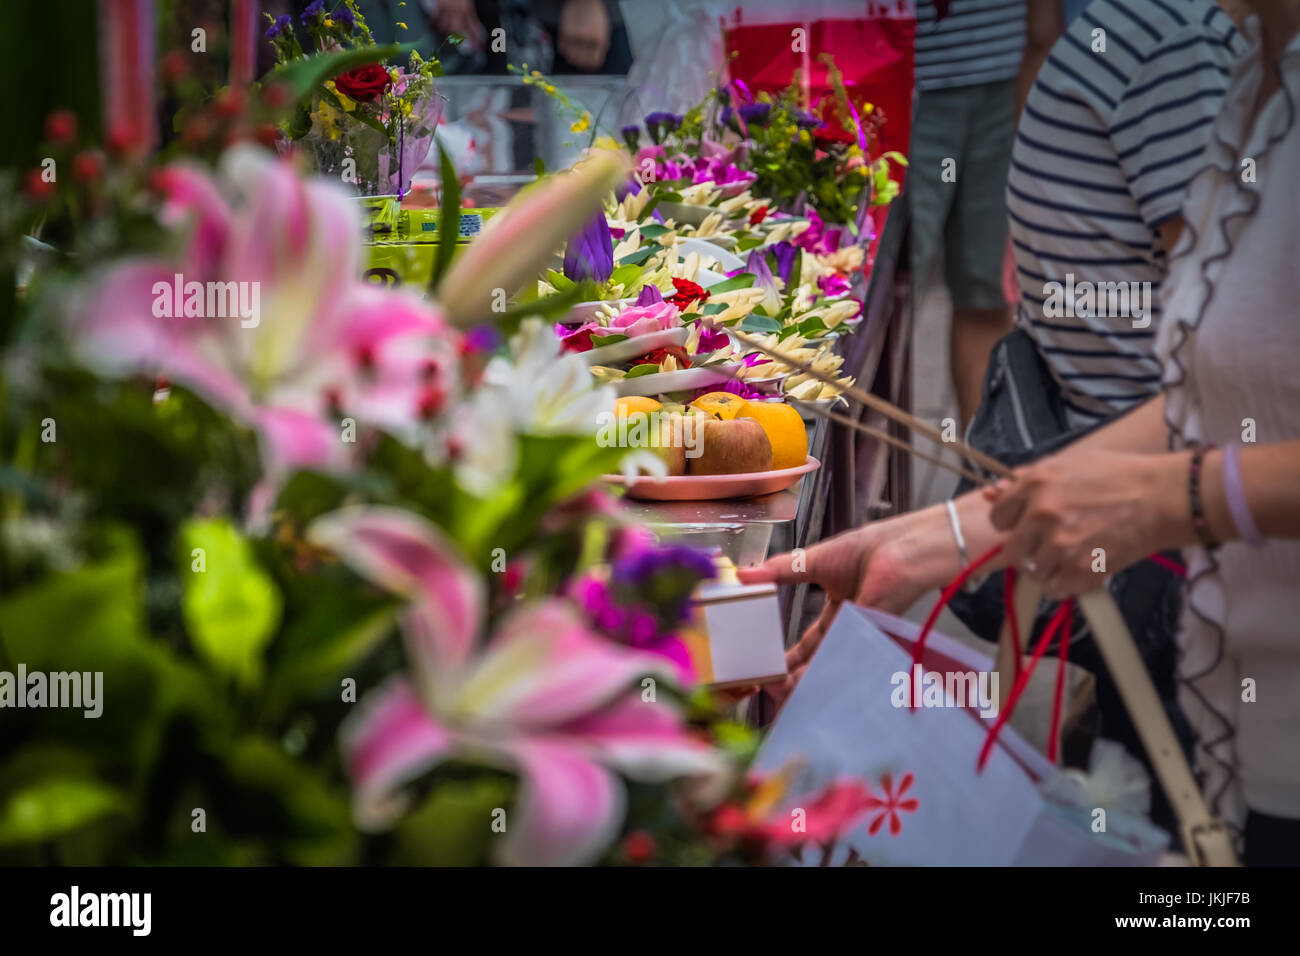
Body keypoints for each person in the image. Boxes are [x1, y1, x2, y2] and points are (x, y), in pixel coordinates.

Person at [743, 0, 1300, 866]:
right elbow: (1209, 393)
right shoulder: (1246, 76)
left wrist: (1169, 499)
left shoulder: (1189, 48)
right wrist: (938, 539)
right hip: (1231, 723)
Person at [910, 1, 1025, 429]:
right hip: (892, 67)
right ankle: (870, 488)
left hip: (1011, 63)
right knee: (881, 308)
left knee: (990, 291)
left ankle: (984, 480)